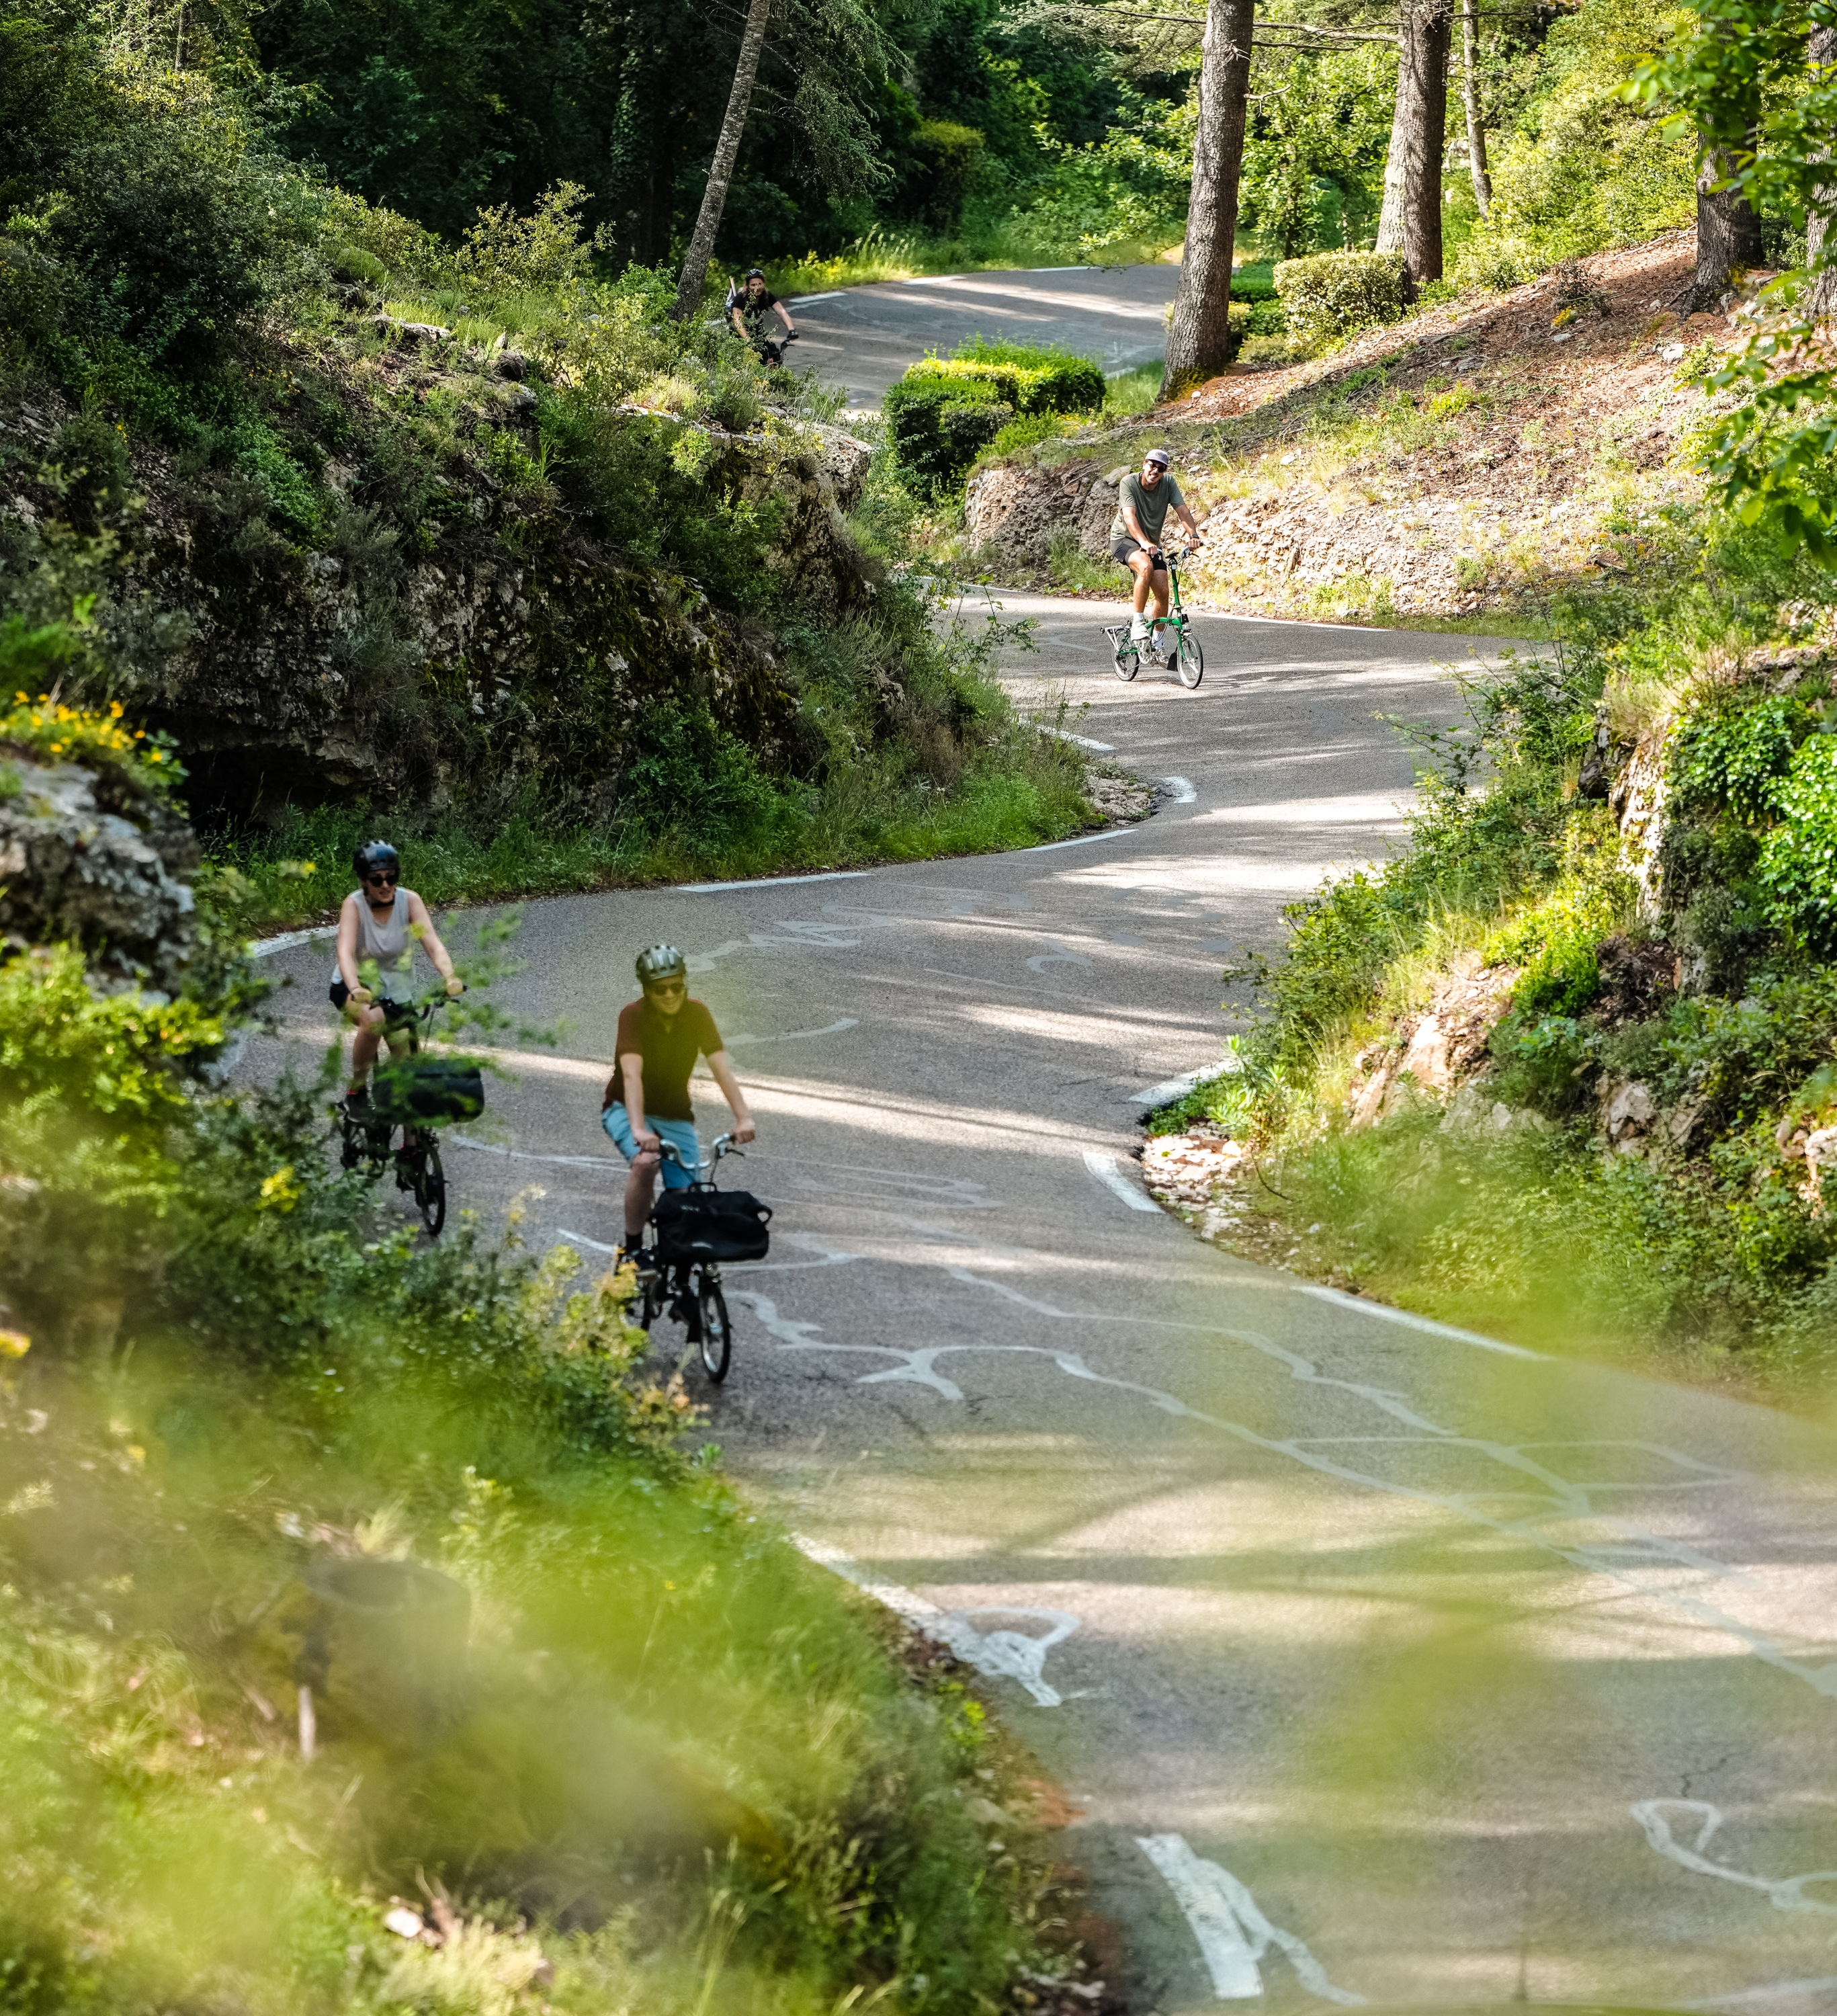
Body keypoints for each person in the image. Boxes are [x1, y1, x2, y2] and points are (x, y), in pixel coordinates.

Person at [601, 944, 757, 1263]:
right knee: (646, 1163)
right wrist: (638, 1128)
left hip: (675, 1115)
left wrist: (743, 1118)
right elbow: (632, 1076)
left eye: (677, 986)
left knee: (687, 1201)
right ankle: (631, 1251)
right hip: (626, 1108)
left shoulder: (697, 1014)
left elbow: (721, 1070)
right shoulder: (633, 1016)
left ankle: (682, 1276)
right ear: (647, 990)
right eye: (661, 989)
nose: (671, 994)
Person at [331, 841, 464, 1114]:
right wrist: (355, 987)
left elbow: (432, 943)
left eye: (391, 877)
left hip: (398, 991)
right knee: (375, 1019)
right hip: (356, 985)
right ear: (363, 881)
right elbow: (344, 952)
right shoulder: (354, 905)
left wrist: (450, 977)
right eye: (376, 879)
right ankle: (357, 1089)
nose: (385, 885)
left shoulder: (410, 901)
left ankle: (412, 1148)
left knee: (409, 1070)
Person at [1111, 447, 1202, 663]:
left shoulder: (1168, 483)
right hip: (1125, 540)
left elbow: (1183, 511)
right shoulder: (1129, 483)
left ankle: (1157, 644)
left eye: (1161, 469)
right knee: (1145, 567)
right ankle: (1137, 624)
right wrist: (1143, 543)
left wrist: (1193, 535)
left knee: (1163, 593)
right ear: (1144, 464)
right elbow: (1130, 517)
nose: (1156, 472)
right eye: (1152, 466)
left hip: (1152, 544)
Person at [728, 267, 796, 360]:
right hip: (740, 337)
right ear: (747, 286)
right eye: (753, 285)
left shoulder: (766, 296)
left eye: (759, 284)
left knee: (773, 356)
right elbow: (737, 321)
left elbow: (782, 311)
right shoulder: (741, 298)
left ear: (763, 284)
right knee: (748, 363)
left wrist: (791, 330)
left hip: (758, 334)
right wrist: (748, 341)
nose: (757, 287)